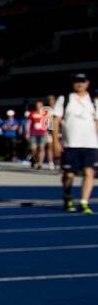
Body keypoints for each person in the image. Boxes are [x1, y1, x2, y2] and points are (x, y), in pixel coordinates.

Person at [53, 74, 98, 214]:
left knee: (89, 172)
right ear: (72, 83)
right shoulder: (64, 99)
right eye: (77, 82)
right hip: (70, 143)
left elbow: (97, 122)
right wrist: (55, 141)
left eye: (82, 82)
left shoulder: (94, 101)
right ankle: (67, 196)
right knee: (69, 175)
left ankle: (84, 202)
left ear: (87, 83)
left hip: (91, 144)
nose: (80, 84)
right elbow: (55, 121)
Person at [28, 99, 51, 169]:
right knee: (33, 149)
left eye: (40, 106)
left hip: (42, 133)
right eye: (37, 106)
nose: (38, 107)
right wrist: (27, 132)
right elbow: (28, 123)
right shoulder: (32, 113)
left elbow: (47, 123)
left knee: (42, 148)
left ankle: (40, 163)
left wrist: (47, 132)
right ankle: (34, 159)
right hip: (33, 133)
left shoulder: (45, 114)